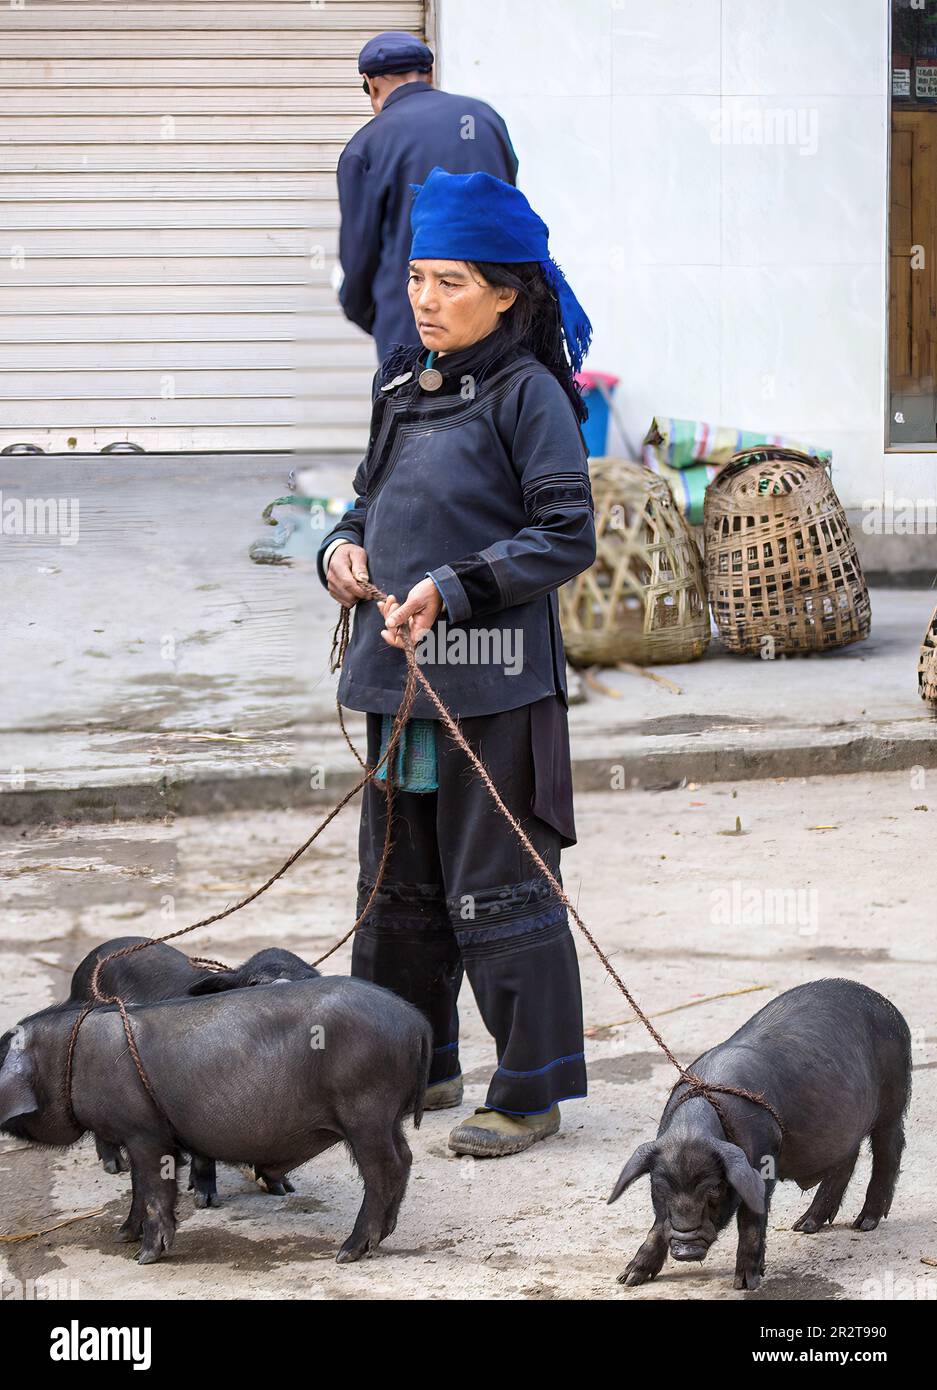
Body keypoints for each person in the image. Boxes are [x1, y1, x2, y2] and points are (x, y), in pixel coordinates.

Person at [318, 168, 595, 1158]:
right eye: (418, 278)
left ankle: (527, 1088)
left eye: (451, 282)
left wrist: (459, 584)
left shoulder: (531, 398)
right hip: (400, 684)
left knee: (497, 883)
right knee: (397, 884)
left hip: (495, 686)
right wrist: (339, 553)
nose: (425, 301)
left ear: (509, 292)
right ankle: (411, 1060)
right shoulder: (402, 385)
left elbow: (566, 534)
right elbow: (361, 504)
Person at [336, 31, 518, 361]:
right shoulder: (484, 119)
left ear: (371, 84)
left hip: (413, 329)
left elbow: (359, 260)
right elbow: (514, 217)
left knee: (414, 413)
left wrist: (378, 317)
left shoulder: (366, 146)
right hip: (495, 323)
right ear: (429, 75)